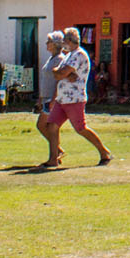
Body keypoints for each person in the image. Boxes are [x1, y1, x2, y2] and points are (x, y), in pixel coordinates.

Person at [43, 26, 113, 167]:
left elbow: (62, 73)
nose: (63, 44)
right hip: (62, 99)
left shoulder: (79, 54)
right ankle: (53, 159)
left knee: (81, 128)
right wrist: (62, 72)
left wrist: (62, 72)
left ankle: (104, 152)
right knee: (52, 126)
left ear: (70, 40)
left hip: (74, 98)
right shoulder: (69, 55)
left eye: (65, 41)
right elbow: (59, 73)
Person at [34, 32, 65, 166]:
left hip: (52, 98)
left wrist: (53, 99)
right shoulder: (51, 58)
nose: (46, 44)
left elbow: (59, 80)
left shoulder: (59, 59)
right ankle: (56, 152)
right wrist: (40, 99)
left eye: (49, 41)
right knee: (48, 127)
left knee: (45, 126)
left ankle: (56, 153)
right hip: (46, 97)